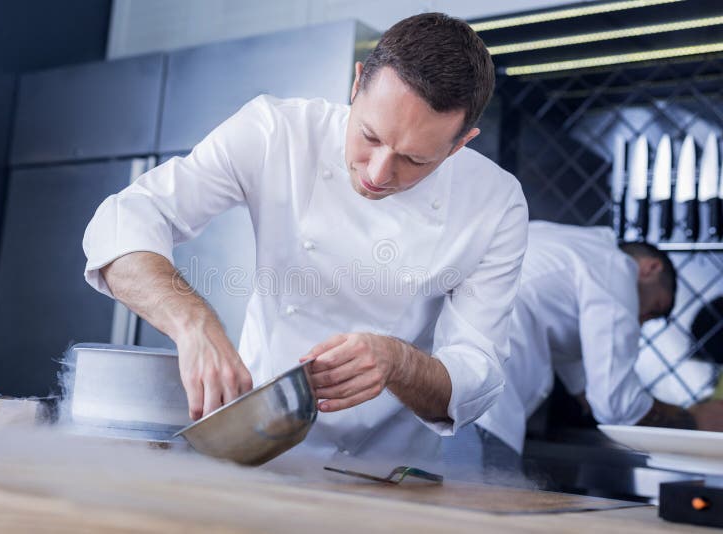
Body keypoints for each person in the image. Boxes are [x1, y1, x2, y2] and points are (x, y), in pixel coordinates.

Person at [82, 13, 528, 464]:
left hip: (389, 476)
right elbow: (125, 219)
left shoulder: (495, 203)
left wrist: (399, 361)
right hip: (261, 449)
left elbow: (479, 373)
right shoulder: (277, 133)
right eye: (369, 136)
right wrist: (192, 323)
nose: (378, 173)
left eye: (415, 159)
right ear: (356, 86)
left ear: (459, 145)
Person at [475, 221, 723, 459]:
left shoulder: (569, 250)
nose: (640, 321)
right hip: (482, 410)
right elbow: (615, 404)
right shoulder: (616, 267)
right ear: (650, 268)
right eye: (654, 309)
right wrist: (694, 421)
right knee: (480, 496)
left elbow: (583, 380)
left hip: (453, 393)